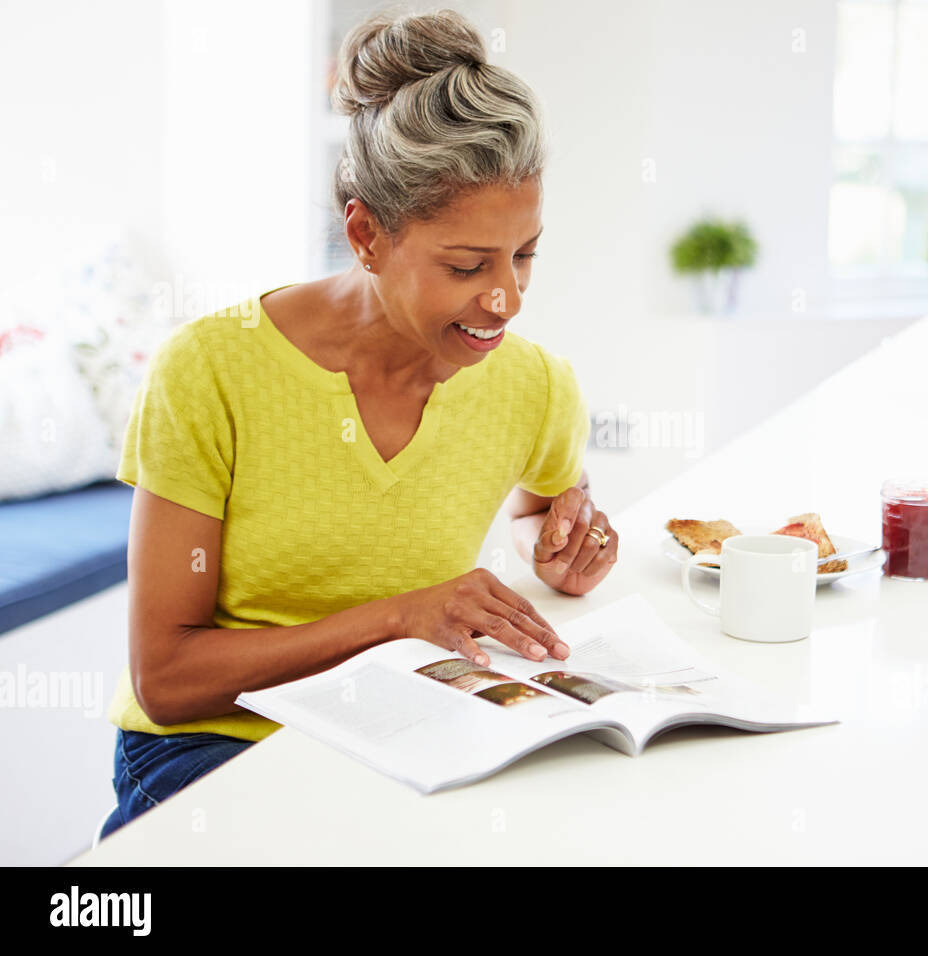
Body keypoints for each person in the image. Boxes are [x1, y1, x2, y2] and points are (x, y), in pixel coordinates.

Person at [99, 9, 618, 841]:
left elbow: (542, 511)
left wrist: (563, 552)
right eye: (465, 266)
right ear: (366, 235)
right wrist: (397, 616)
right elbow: (166, 677)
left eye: (524, 254)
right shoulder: (210, 371)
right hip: (217, 749)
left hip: (407, 728)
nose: (506, 299)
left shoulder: (532, 382)